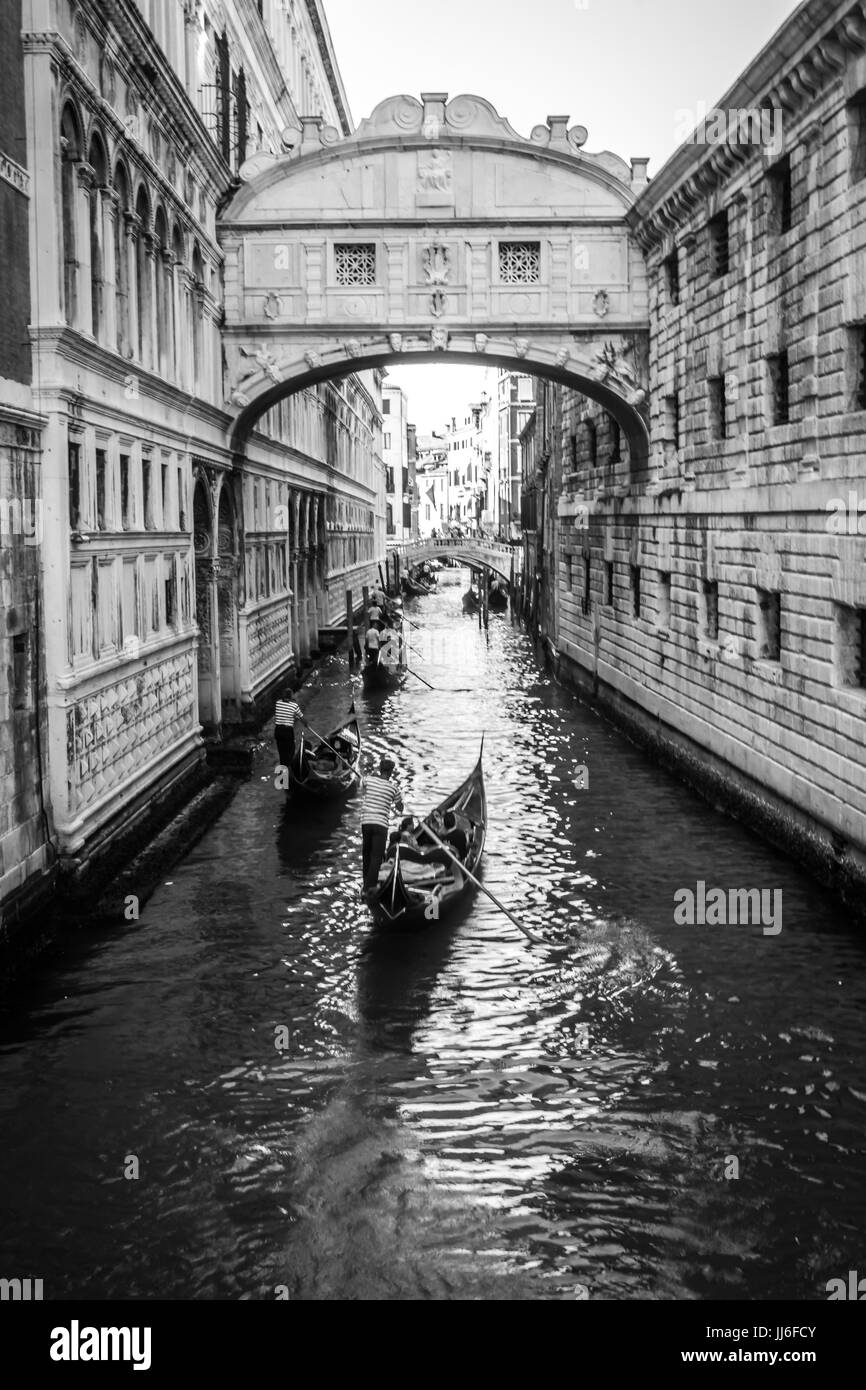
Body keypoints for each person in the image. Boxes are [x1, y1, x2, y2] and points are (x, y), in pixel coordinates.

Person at [361, 757, 404, 892]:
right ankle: (370, 887)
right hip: (380, 825)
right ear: (391, 772)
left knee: (366, 853)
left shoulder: (368, 780)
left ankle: (365, 882)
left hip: (366, 822)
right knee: (376, 857)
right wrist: (400, 801)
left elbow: (361, 785)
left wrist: (372, 777)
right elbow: (400, 808)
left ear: (379, 769)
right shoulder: (394, 789)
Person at [274, 688, 306, 768]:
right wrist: (306, 724)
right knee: (290, 751)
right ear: (291, 696)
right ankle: (290, 770)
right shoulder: (294, 706)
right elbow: (303, 719)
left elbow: (283, 712)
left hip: (278, 731)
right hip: (287, 731)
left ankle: (282, 774)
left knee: (282, 753)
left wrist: (293, 715)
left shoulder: (278, 703)